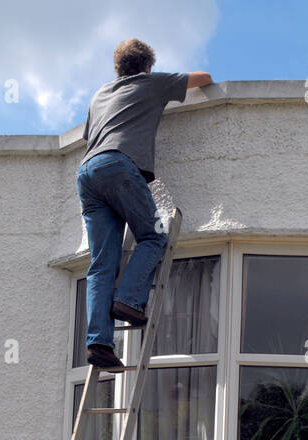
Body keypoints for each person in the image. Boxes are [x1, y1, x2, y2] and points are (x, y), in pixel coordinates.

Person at [78, 39, 212, 372]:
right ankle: (129, 300)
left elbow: (88, 136)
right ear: (148, 66)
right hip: (118, 166)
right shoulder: (151, 83)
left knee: (101, 264)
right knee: (153, 237)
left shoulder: (99, 95)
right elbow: (205, 77)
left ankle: (99, 344)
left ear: (117, 68)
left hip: (87, 174)